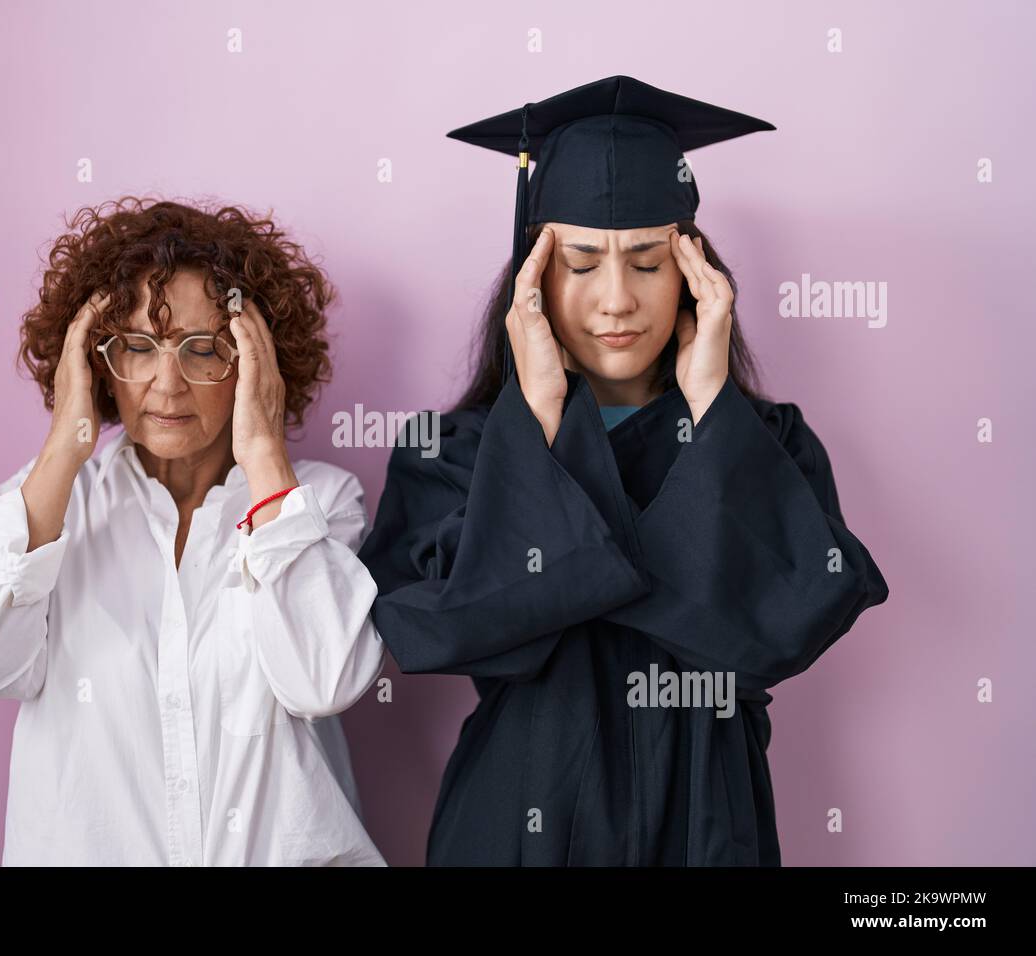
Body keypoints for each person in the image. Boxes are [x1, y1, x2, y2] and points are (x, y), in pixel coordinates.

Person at [358, 76, 890, 865]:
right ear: (532, 280)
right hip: (520, 819)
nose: (616, 300)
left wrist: (711, 404)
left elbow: (790, 625)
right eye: (581, 262)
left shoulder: (766, 441)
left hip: (709, 820)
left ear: (693, 274)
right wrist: (534, 418)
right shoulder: (458, 450)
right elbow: (433, 626)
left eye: (646, 261)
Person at [0, 196, 386, 866]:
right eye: (136, 347)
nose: (167, 384)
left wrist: (265, 456)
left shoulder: (320, 503)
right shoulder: (52, 504)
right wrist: (64, 446)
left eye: (203, 350)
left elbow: (321, 683)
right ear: (97, 364)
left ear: (255, 362)